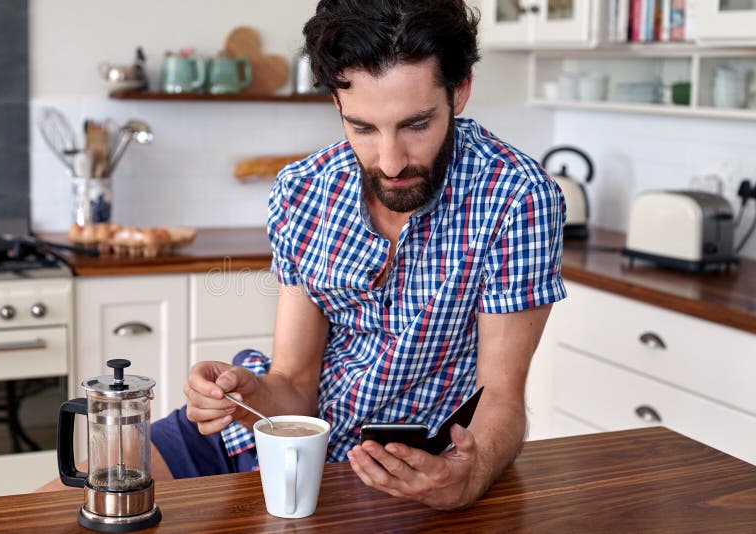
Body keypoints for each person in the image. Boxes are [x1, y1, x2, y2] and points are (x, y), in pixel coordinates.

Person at [41, 0, 566, 509]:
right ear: (337, 105)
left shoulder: (517, 199)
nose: (389, 161)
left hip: (394, 471)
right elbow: (294, 386)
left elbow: (500, 398)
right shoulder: (303, 190)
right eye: (362, 127)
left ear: (461, 91)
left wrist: (467, 477)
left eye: (416, 125)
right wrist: (246, 394)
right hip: (269, 437)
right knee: (52, 510)